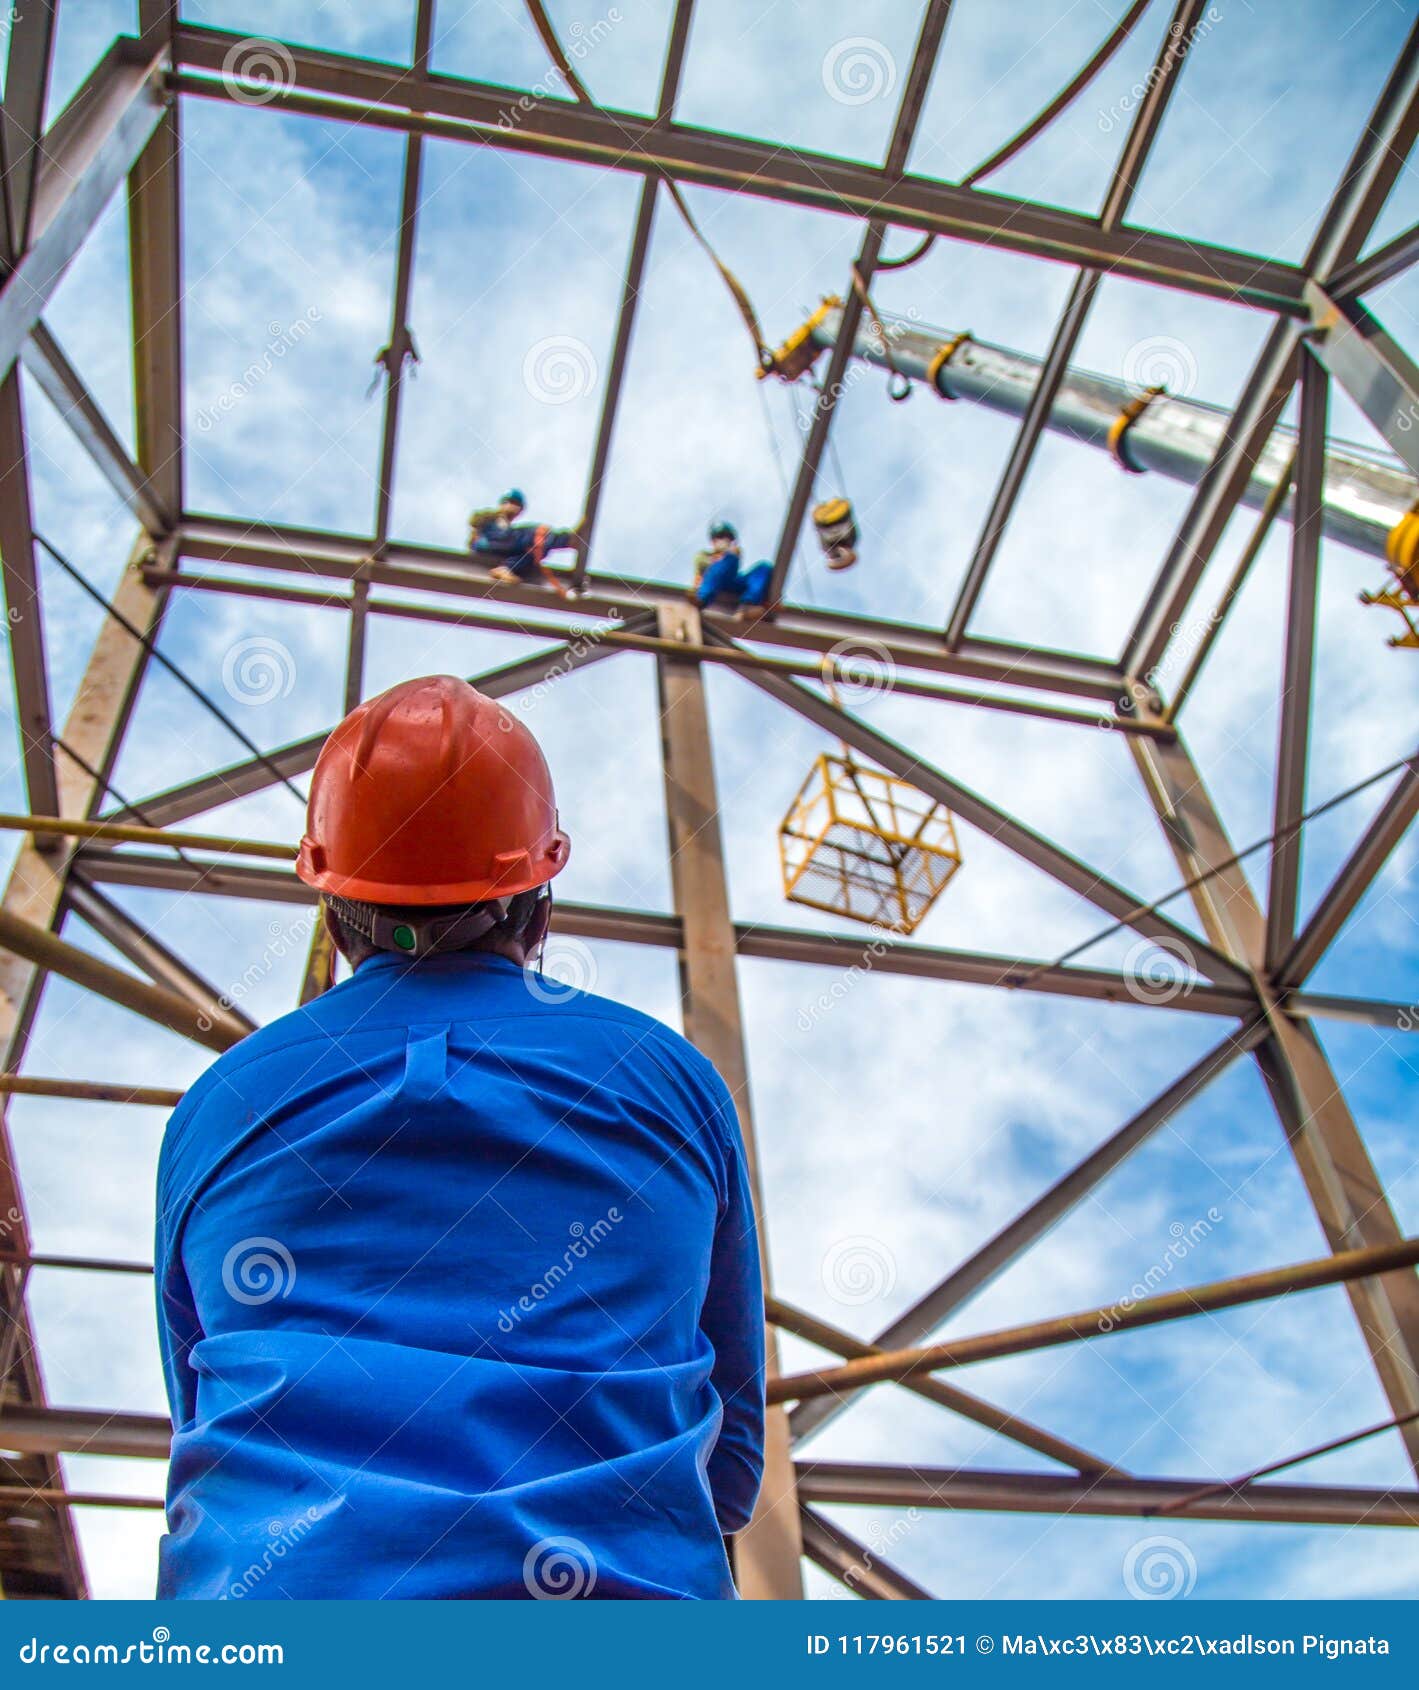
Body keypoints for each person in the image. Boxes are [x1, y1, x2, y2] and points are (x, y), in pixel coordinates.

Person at [154, 675, 765, 1600]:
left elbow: (201, 1405)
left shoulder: (217, 1104)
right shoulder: (668, 1078)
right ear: (540, 901)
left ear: (333, 911)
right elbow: (732, 1462)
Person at [468, 488, 580, 597]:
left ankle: (505, 569)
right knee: (532, 534)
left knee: (533, 552)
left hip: (499, 546)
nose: (514, 508)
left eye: (517, 506)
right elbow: (476, 523)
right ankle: (568, 539)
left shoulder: (506, 528)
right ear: (503, 504)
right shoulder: (493, 520)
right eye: (511, 503)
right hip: (489, 542)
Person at [691, 520, 773, 616]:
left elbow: (732, 570)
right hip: (711, 586)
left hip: (730, 583)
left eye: (729, 537)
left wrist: (732, 555)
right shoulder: (703, 555)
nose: (725, 540)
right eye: (721, 536)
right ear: (713, 541)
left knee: (763, 568)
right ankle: (701, 600)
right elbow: (709, 568)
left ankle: (748, 604)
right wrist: (726, 555)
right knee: (727, 561)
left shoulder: (732, 555)